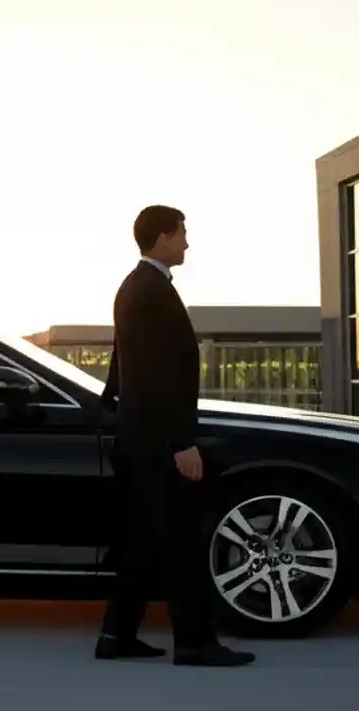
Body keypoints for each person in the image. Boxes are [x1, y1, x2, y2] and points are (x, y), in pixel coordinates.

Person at [94, 204, 255, 667]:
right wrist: (182, 442)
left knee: (143, 542)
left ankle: (116, 636)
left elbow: (125, 360)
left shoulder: (135, 287)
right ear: (163, 237)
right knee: (182, 541)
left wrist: (108, 403)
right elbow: (158, 373)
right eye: (182, 233)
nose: (187, 241)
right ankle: (194, 643)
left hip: (139, 437)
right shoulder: (150, 291)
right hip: (157, 442)